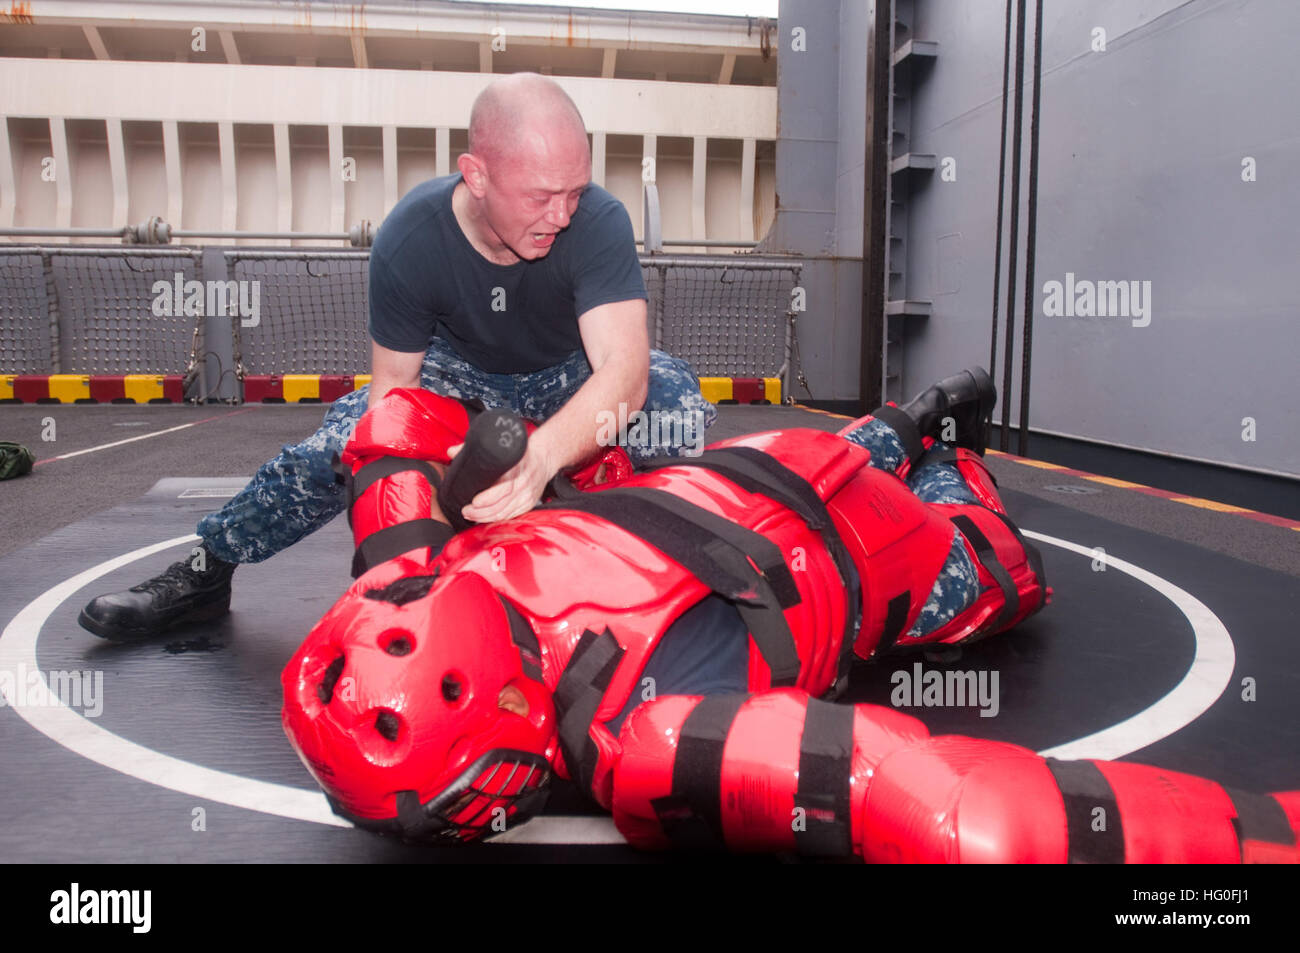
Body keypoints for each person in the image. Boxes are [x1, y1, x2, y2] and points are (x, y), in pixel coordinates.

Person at [282, 367, 1300, 860]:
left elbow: (956, 814)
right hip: (810, 503)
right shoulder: (420, 564)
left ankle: (931, 435)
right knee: (951, 523)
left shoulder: (650, 740)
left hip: (810, 513)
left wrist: (1269, 833)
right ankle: (930, 429)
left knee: (971, 536)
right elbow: (396, 421)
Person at [79, 73, 716, 642]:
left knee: (673, 403)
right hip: (456, 376)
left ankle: (667, 590)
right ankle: (205, 571)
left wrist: (540, 458)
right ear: (477, 175)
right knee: (337, 448)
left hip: (566, 371)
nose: (563, 213)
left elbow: (623, 372)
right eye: (543, 196)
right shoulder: (412, 236)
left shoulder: (596, 220)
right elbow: (394, 399)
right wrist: (418, 510)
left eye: (576, 190)